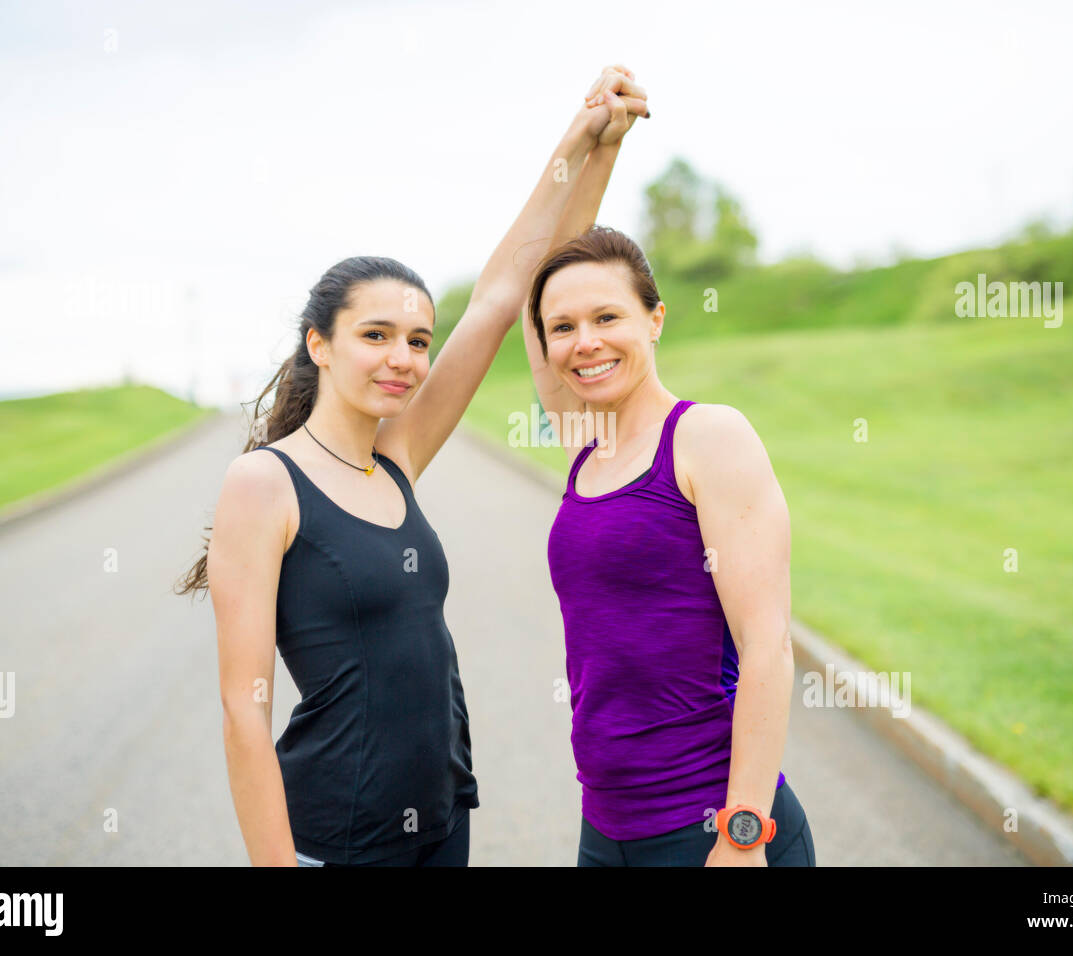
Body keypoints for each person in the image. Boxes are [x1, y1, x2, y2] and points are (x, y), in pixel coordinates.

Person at [175, 66, 650, 866]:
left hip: (440, 817)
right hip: (341, 838)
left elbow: (504, 293)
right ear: (318, 344)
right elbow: (241, 708)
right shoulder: (265, 484)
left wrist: (589, 143)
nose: (403, 358)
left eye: (419, 340)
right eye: (376, 335)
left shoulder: (393, 459)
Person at [521, 223, 815, 866]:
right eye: (562, 327)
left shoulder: (708, 437)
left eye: (607, 316)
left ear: (655, 319)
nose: (586, 341)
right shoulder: (586, 447)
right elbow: (525, 289)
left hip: (710, 827)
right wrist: (588, 146)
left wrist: (742, 838)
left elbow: (769, 648)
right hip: (605, 831)